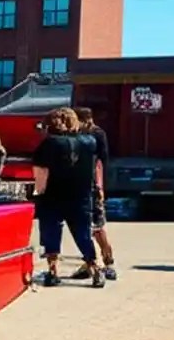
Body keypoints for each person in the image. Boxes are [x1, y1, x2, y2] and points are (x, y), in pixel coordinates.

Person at [32, 107, 102, 288]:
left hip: (54, 195)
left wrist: (39, 193)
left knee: (51, 233)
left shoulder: (48, 144)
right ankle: (95, 269)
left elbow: (41, 173)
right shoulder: (90, 142)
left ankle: (53, 273)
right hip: (81, 195)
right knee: (83, 234)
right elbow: (95, 168)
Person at [72, 107, 116, 281]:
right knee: (85, 229)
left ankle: (108, 262)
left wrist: (100, 186)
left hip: (94, 184)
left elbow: (102, 161)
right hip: (83, 186)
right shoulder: (77, 134)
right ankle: (89, 263)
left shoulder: (97, 134)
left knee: (97, 227)